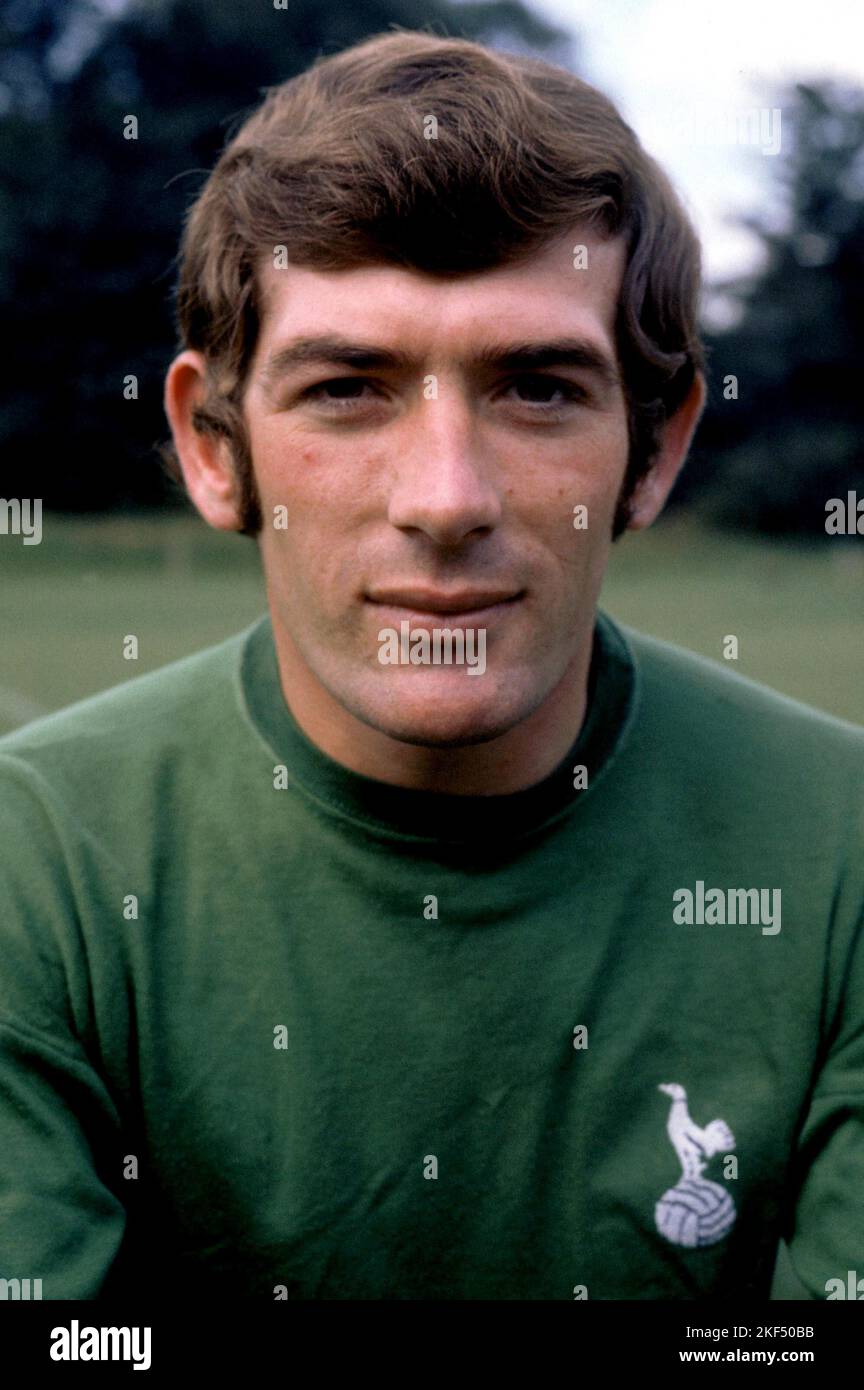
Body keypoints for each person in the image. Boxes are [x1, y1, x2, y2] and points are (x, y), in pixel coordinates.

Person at [1, 31, 862, 1302]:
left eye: (538, 388)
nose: (447, 499)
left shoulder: (845, 849)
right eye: (349, 387)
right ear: (211, 447)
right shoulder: (33, 866)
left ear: (657, 447)